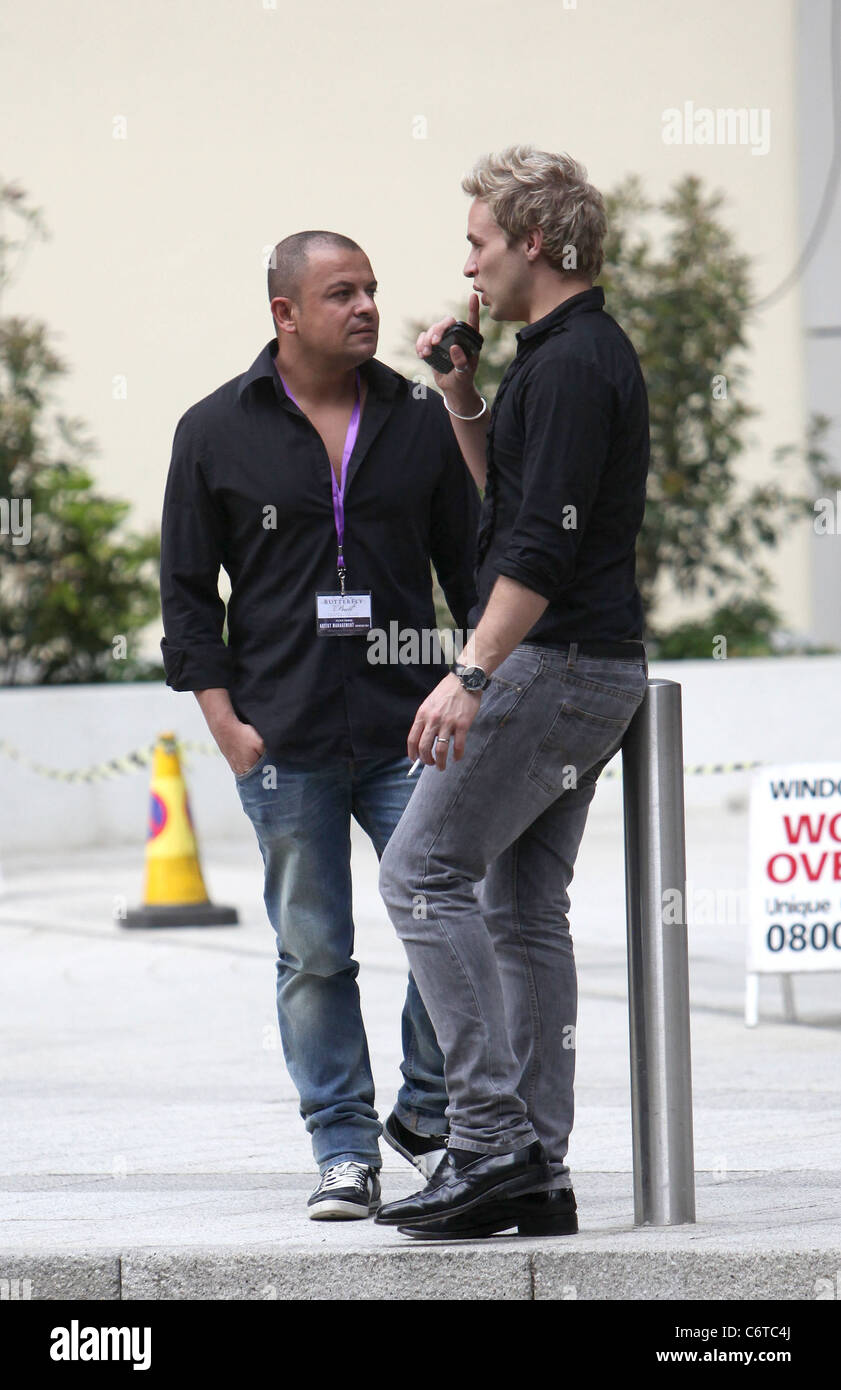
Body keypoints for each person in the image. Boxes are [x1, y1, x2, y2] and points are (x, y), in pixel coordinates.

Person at [159, 230, 479, 1220]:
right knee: (314, 952)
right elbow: (183, 592)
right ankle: (343, 1148)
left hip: (409, 727)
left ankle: (423, 1112)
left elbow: (470, 566)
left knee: (446, 919)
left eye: (372, 289)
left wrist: (477, 683)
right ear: (284, 314)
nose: (367, 307)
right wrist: (224, 724)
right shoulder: (214, 428)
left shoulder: (419, 418)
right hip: (281, 736)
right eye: (341, 292)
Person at [375, 146, 651, 1238]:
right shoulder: (555, 360)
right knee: (520, 907)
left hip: (558, 664)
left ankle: (488, 1143)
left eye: (481, 241)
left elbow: (538, 545)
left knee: (421, 876)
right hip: (585, 665)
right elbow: (522, 503)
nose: (469, 263)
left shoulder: (579, 363)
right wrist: (460, 396)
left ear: (536, 241)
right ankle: (532, 1165)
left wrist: (471, 672)